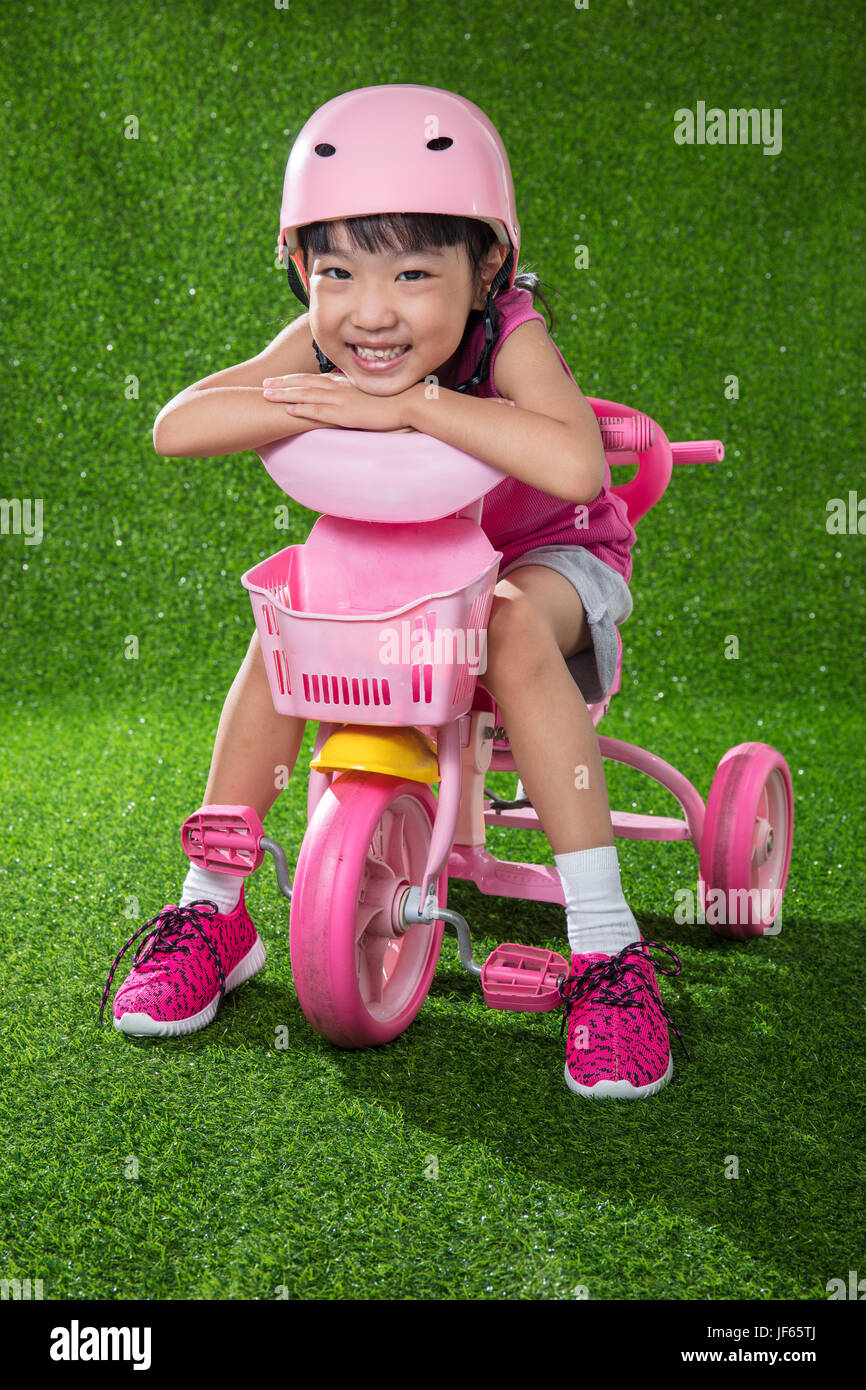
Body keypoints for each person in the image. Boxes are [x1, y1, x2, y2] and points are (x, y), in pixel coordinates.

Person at [100, 84, 689, 1099]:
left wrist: (407, 409)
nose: (372, 311)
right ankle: (213, 903)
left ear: (484, 267)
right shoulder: (331, 336)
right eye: (336, 271)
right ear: (300, 268)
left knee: (503, 629)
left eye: (414, 272)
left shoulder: (506, 334)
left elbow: (573, 465)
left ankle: (605, 947)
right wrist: (302, 392)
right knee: (286, 609)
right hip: (406, 566)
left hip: (538, 560)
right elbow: (177, 425)